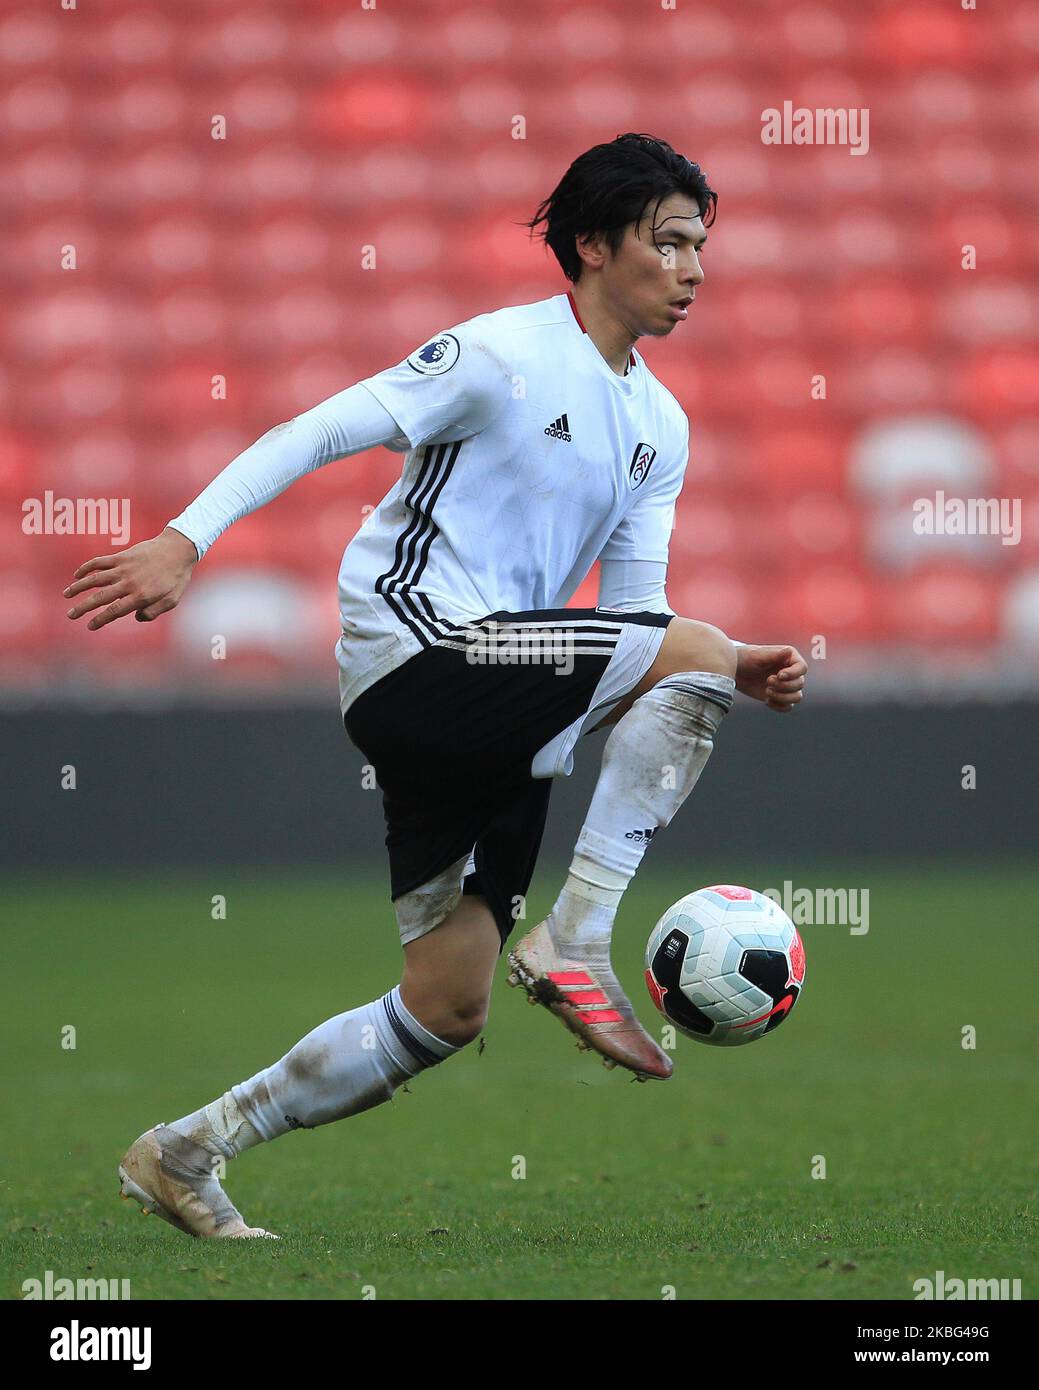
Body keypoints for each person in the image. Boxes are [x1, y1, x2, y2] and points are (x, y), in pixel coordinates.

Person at [65, 133, 807, 1239]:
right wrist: (186, 536)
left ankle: (187, 1148)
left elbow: (638, 616)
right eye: (671, 242)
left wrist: (705, 663)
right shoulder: (498, 354)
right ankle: (579, 936)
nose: (695, 268)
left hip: (502, 698)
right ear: (596, 246)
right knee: (694, 652)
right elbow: (324, 426)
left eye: (702, 244)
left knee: (447, 1003)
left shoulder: (661, 425)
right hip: (421, 652)